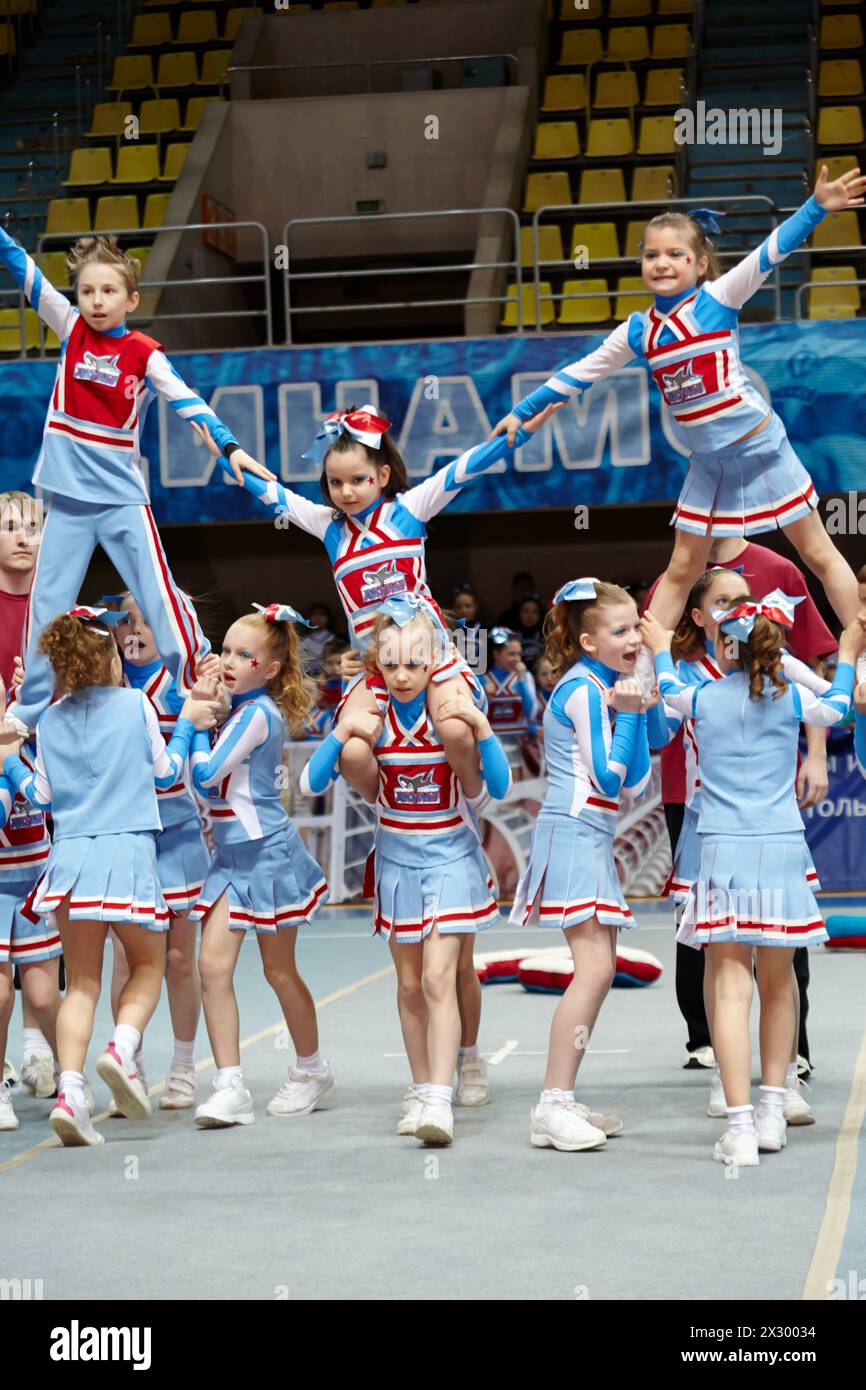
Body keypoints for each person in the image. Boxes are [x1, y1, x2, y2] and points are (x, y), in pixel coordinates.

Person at [492, 169, 866, 634]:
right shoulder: (638, 330)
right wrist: (522, 411)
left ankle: (863, 652)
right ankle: (648, 664)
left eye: (675, 254)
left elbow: (771, 252)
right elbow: (580, 372)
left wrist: (816, 207)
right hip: (709, 463)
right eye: (651, 254)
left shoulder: (720, 299)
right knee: (682, 568)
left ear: (699, 263)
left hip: (762, 447)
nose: (662, 263)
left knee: (817, 552)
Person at [191, 405, 561, 802]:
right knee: (352, 750)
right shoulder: (327, 527)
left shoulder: (410, 509)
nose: (346, 491)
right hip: (374, 667)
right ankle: (386, 807)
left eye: (358, 480)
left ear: (382, 476)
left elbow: (465, 467)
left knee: (454, 729)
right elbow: (272, 494)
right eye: (335, 482)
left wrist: (517, 434)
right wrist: (228, 453)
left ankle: (471, 796)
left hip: (429, 658)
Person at [0, 229, 271, 738]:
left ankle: (197, 678)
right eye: (86, 291)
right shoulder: (70, 327)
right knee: (47, 602)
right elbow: (22, 269)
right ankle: (30, 705)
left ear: (132, 298)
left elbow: (186, 400)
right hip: (68, 501)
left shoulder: (145, 353)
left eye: (108, 291)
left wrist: (229, 446)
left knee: (156, 594)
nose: (96, 301)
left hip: (122, 499)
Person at [645, 597, 862, 1165]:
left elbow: (666, 691)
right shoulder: (792, 697)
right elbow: (840, 708)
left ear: (724, 647)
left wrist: (659, 645)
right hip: (782, 850)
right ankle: (773, 1110)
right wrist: (847, 651)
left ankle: (739, 1126)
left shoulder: (701, 697)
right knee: (778, 981)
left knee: (729, 986)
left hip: (721, 853)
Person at [0, 607, 217, 1146]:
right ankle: (121, 1048)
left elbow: (41, 797)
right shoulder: (136, 704)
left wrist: (8, 760)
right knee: (147, 966)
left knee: (85, 983)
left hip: (69, 862)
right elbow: (167, 772)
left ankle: (71, 1095)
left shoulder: (48, 721)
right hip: (128, 854)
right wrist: (188, 722)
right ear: (109, 661)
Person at [301, 595, 511, 1146]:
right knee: (412, 982)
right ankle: (420, 1086)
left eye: (414, 664)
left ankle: (444, 1091)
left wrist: (482, 730)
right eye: (390, 663)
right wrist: (343, 730)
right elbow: (311, 783)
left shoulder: (453, 699)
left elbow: (500, 789)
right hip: (396, 855)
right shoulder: (367, 702)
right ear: (375, 660)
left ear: (433, 660)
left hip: (448, 853)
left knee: (445, 976)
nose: (401, 675)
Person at [642, 535, 837, 1071]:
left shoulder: (771, 665)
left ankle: (790, 1061)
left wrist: (814, 755)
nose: (737, 610)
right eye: (723, 604)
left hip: (766, 824)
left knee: (781, 946)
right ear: (698, 615)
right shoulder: (685, 669)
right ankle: (711, 1055)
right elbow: (657, 725)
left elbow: (818, 689)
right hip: (705, 821)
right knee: (708, 946)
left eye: (742, 601)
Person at [511, 579, 663, 1153]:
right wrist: (627, 712)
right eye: (619, 631)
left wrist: (641, 701)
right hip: (573, 832)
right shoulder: (580, 688)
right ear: (586, 640)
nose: (632, 639)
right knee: (594, 971)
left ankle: (562, 1099)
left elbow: (649, 759)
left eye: (635, 628)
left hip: (592, 835)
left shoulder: (608, 682)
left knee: (600, 970)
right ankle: (551, 1105)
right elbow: (606, 776)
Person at [188, 604, 330, 1129]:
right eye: (224, 649)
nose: (227, 660)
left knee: (278, 970)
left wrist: (195, 719)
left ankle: (312, 1069)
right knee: (212, 968)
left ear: (269, 669)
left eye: (242, 655)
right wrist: (205, 709)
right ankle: (229, 1085)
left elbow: (205, 774)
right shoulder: (236, 708)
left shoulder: (256, 714)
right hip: (229, 857)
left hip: (267, 855)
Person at [109, 593, 214, 1110]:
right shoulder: (105, 681)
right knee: (126, 963)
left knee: (177, 958)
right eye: (126, 619)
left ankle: (183, 1066)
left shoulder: (187, 681)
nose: (134, 630)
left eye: (147, 620)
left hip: (176, 833)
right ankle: (128, 1065)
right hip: (125, 836)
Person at [0, 491, 60, 1099]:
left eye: (33, 527)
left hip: (51, 771)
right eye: (10, 527)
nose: (23, 537)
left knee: (43, 919)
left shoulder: (55, 607)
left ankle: (40, 1048)